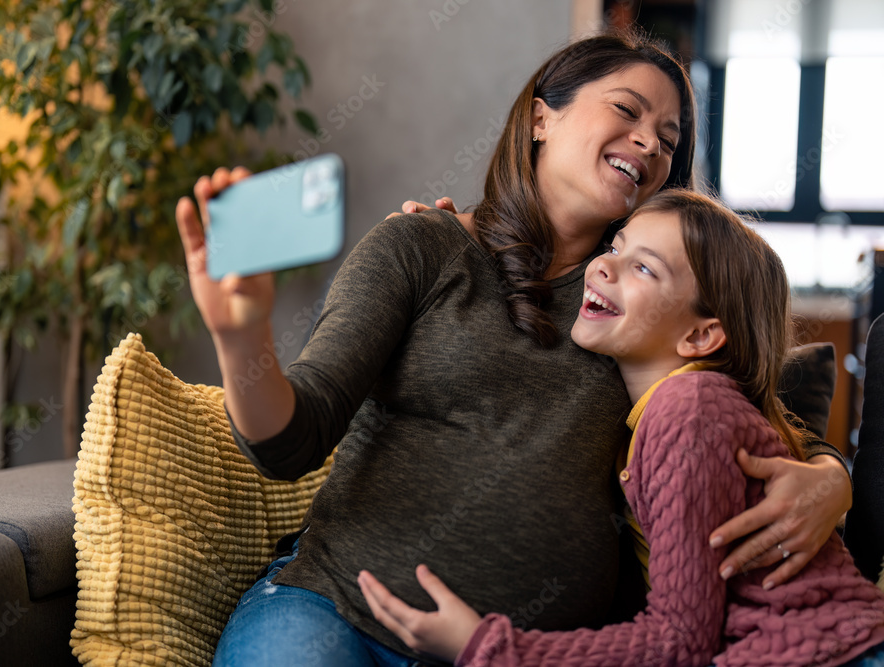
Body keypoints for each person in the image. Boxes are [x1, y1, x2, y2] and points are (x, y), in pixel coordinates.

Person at [174, 32, 853, 666]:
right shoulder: (421, 245)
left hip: (521, 651)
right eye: (627, 110)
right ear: (539, 119)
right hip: (342, 613)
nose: (649, 141)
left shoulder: (645, 311)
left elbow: (757, 415)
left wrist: (832, 480)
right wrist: (242, 338)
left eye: (669, 138)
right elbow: (290, 445)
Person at [357, 189, 884, 667]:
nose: (604, 268)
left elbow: (680, 639)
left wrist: (488, 648)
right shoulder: (659, 410)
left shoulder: (689, 411)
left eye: (645, 269)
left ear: (701, 336)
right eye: (615, 246)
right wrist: (449, 244)